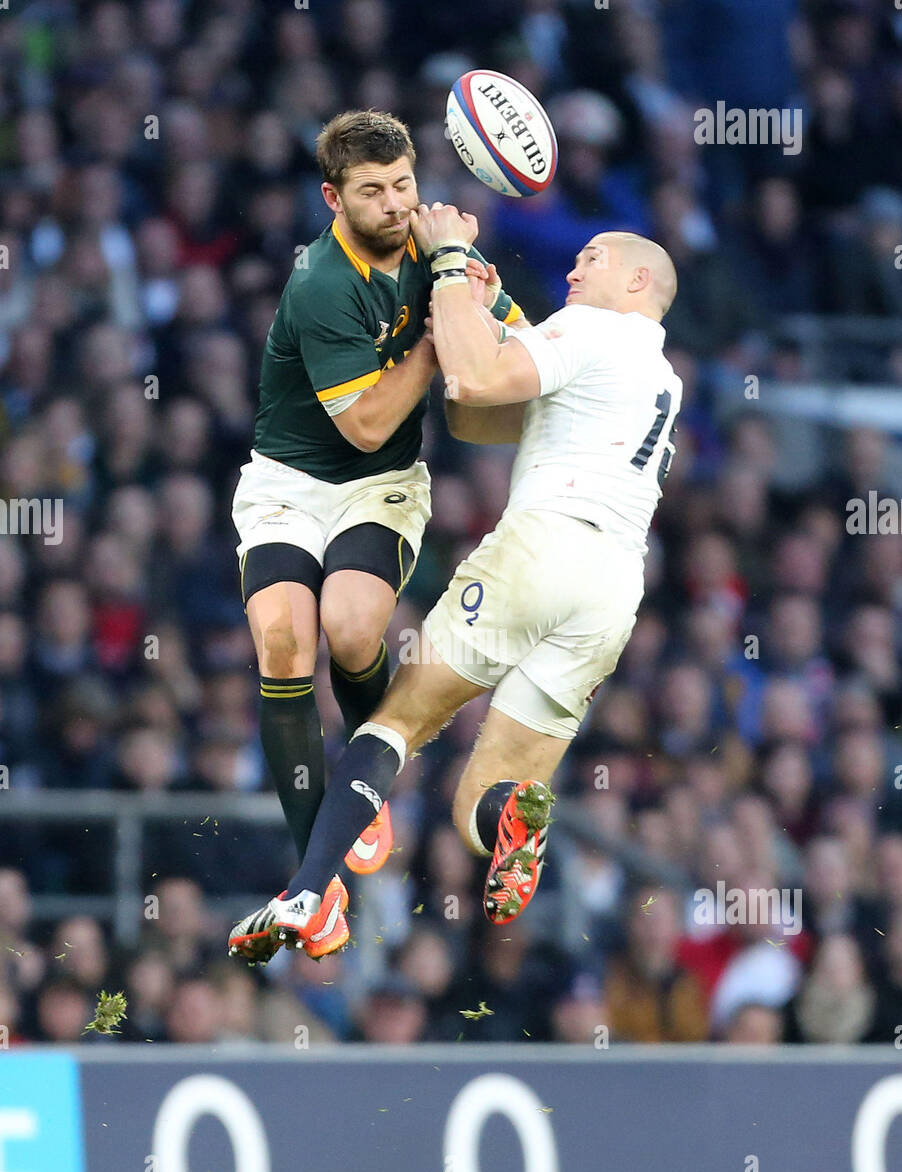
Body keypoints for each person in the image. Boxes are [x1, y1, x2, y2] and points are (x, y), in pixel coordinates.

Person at [229, 209, 681, 964]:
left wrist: (446, 260)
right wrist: (488, 312)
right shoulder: (656, 373)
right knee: (477, 803)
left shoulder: (591, 329)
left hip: (543, 547)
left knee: (392, 725)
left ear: (638, 280)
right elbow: (480, 415)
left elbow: (474, 376)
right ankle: (515, 813)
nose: (572, 271)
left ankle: (309, 893)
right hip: (612, 591)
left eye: (591, 258)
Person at [230, 113, 522, 942]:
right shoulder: (320, 282)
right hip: (290, 481)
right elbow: (361, 422)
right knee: (284, 642)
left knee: (354, 628)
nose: (395, 205)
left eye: (403, 185)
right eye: (371, 192)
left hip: (382, 486)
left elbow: (518, 335)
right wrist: (435, 346)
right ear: (334, 197)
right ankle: (314, 883)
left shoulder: (440, 249)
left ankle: (365, 784)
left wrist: (467, 278)